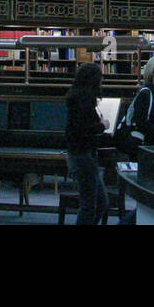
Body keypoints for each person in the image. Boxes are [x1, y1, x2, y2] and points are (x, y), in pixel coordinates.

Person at [65, 61, 111, 225]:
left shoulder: (79, 98)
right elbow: (83, 128)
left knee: (97, 203)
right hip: (82, 155)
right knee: (91, 204)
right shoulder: (82, 101)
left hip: (81, 154)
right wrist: (102, 125)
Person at [117, 53, 154, 154]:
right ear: (153, 72)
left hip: (148, 143)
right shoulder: (146, 94)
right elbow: (141, 123)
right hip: (140, 145)